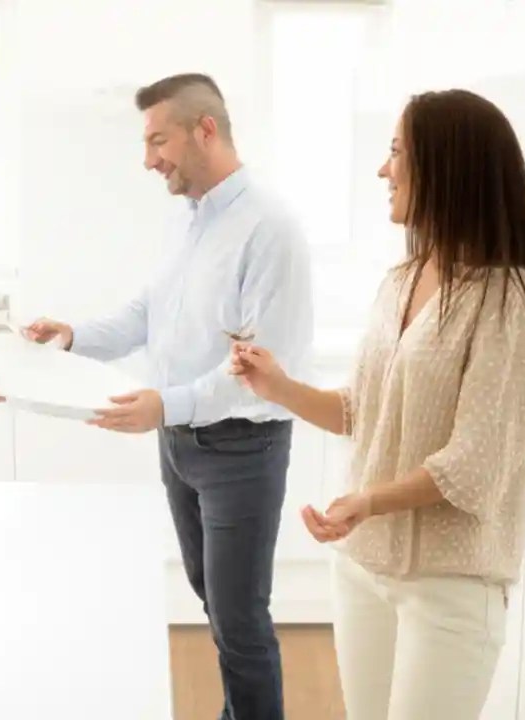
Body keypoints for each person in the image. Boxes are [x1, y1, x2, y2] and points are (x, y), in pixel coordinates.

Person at [230, 89, 525, 719]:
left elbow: (474, 465)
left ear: (447, 166)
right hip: (363, 568)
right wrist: (279, 386)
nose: (384, 170)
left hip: (450, 587)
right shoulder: (402, 280)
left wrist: (369, 500)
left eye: (396, 152)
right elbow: (364, 411)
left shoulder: (509, 303)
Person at [24, 73, 312, 720]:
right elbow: (146, 315)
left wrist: (164, 404)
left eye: (159, 140)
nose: (149, 159)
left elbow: (260, 369)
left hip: (241, 446)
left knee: (240, 621)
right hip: (180, 445)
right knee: (214, 600)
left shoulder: (270, 228)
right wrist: (71, 336)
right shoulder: (189, 221)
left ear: (204, 129)